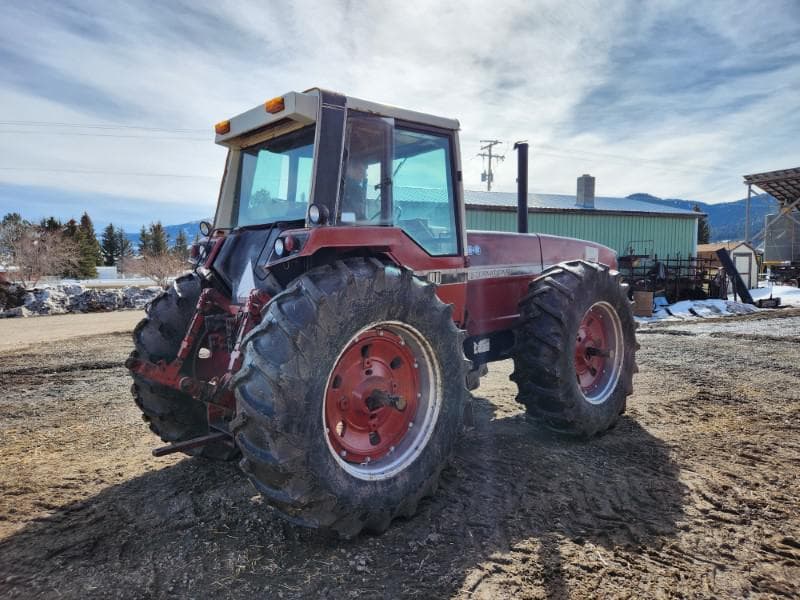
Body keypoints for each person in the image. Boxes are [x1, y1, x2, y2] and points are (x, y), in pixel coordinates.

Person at [340, 157, 369, 222]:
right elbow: (358, 216)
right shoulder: (356, 189)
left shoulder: (339, 186)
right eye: (361, 171)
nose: (364, 175)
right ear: (350, 169)